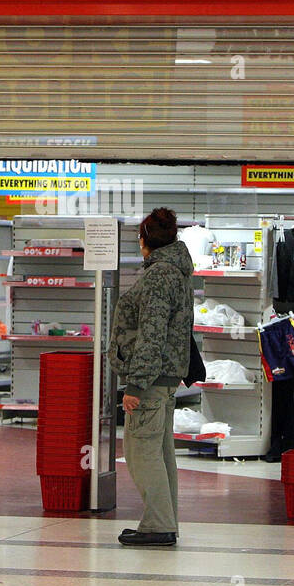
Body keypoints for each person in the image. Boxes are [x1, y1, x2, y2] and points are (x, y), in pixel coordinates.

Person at [106, 207, 194, 547]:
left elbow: (151, 333)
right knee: (161, 452)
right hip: (167, 375)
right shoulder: (178, 271)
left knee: (141, 450)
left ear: (145, 240)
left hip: (151, 379)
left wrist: (136, 384)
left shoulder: (159, 275)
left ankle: (158, 524)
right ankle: (164, 521)